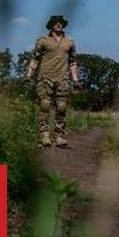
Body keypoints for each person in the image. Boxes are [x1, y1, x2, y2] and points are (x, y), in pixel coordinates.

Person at [22, 14, 80, 147]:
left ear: (63, 25)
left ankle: (59, 136)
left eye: (60, 22)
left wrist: (76, 80)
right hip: (45, 77)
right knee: (45, 105)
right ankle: (45, 136)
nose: (58, 24)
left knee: (61, 107)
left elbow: (73, 62)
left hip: (62, 79)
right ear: (51, 25)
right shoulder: (43, 41)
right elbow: (35, 59)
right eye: (55, 22)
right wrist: (29, 75)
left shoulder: (69, 42)